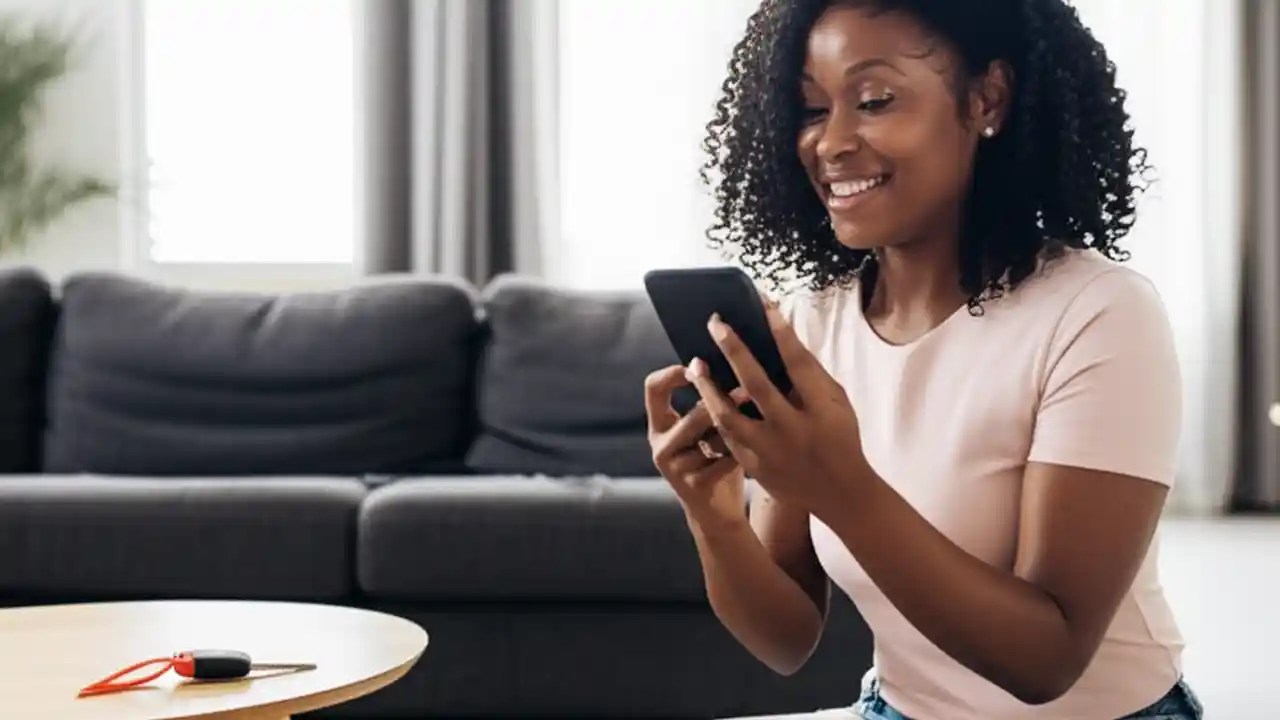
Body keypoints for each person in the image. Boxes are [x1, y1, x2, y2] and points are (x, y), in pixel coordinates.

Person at [643, 1, 1203, 718]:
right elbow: (786, 641)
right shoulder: (813, 325)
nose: (830, 142)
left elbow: (1048, 660)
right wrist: (714, 517)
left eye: (874, 100)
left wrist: (842, 489)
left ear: (986, 99)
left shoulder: (1098, 314)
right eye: (812, 110)